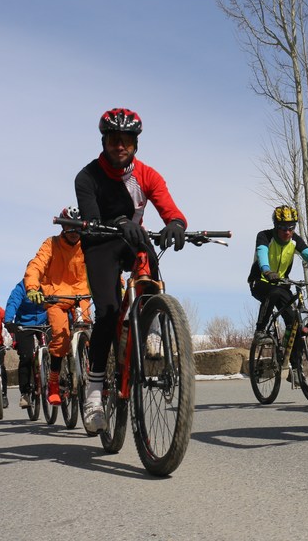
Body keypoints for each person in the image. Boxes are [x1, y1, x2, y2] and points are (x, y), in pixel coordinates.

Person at [74, 108, 187, 433]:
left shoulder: (148, 175)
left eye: (126, 140)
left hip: (133, 239)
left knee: (151, 275)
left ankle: (152, 330)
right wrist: (121, 222)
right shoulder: (87, 176)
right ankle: (94, 391)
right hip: (100, 243)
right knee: (108, 313)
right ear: (104, 141)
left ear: (135, 144)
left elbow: (170, 208)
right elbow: (92, 219)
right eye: (113, 139)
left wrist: (177, 225)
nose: (119, 145)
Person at [247, 205, 308, 375]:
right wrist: (267, 270)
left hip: (281, 284)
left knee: (294, 321)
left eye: (291, 227)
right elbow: (262, 253)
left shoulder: (295, 240)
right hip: (260, 281)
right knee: (272, 293)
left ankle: (295, 367)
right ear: (276, 226)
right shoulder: (264, 236)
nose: (287, 232)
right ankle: (260, 330)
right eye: (282, 228)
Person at [24, 206, 92, 407]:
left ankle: (94, 377)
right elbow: (36, 265)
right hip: (55, 297)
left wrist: (119, 285)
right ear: (62, 227)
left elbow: (101, 265)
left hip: (82, 294)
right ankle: (54, 382)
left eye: (77, 229)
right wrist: (33, 288)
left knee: (90, 333)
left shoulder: (87, 245)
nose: (74, 233)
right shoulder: (51, 244)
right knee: (61, 338)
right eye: (70, 228)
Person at [3, 279, 48, 408]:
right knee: (26, 357)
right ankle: (25, 393)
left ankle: (58, 382)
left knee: (57, 349)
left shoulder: (49, 282)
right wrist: (8, 321)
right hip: (24, 325)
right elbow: (13, 302)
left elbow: (61, 301)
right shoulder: (22, 287)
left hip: (45, 322)